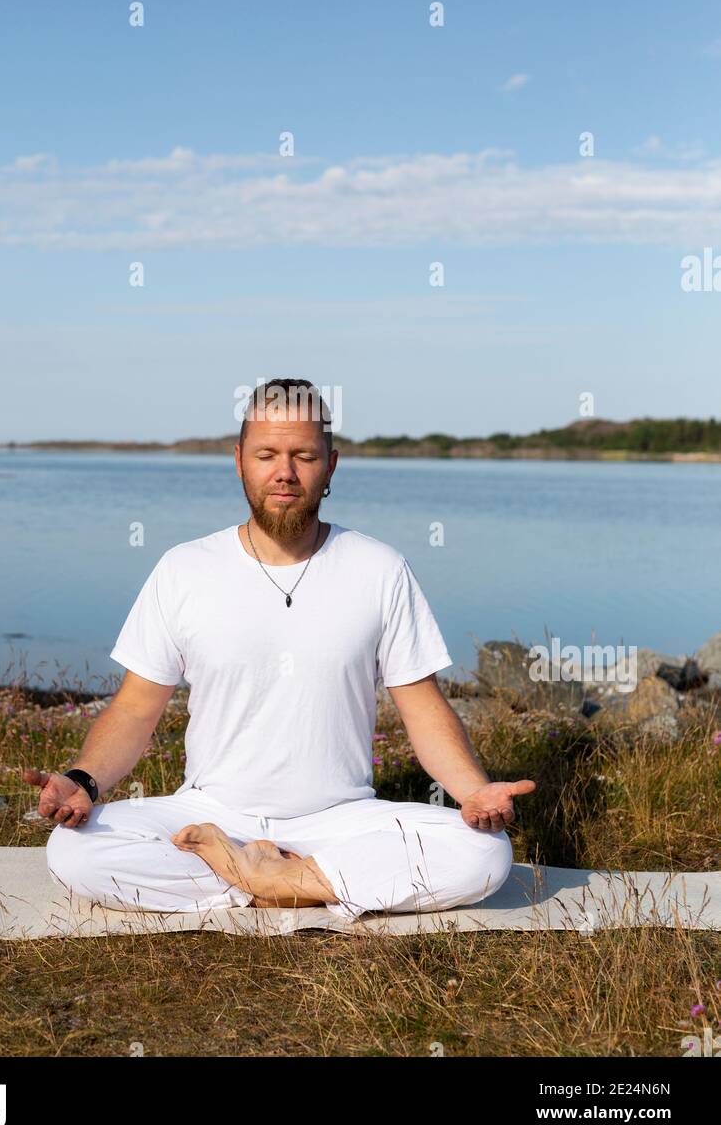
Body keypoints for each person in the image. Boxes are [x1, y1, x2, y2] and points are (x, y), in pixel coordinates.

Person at [32, 378, 534, 922]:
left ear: (331, 465)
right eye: (267, 454)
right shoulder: (184, 569)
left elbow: (423, 706)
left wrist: (474, 792)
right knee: (73, 849)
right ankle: (316, 878)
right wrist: (81, 781)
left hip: (340, 816)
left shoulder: (379, 568)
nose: (285, 473)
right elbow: (133, 708)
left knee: (485, 853)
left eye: (303, 456)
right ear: (239, 461)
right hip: (211, 810)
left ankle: (258, 878)